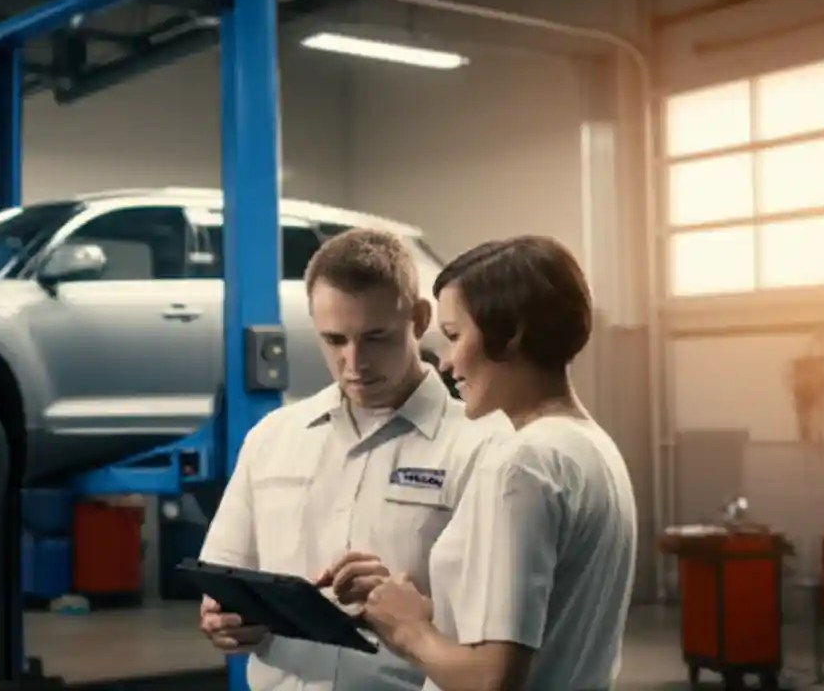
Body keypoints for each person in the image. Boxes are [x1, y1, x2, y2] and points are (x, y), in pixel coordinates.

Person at [197, 228, 513, 691]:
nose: (354, 362)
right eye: (334, 340)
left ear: (419, 318)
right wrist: (224, 619)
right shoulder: (272, 438)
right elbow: (222, 578)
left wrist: (405, 609)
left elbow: (501, 634)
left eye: (375, 337)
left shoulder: (482, 445)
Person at [336, 235, 638, 691]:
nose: (448, 361)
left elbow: (490, 678)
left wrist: (409, 630)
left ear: (511, 332)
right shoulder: (592, 450)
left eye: (456, 336)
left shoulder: (522, 464)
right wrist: (413, 608)